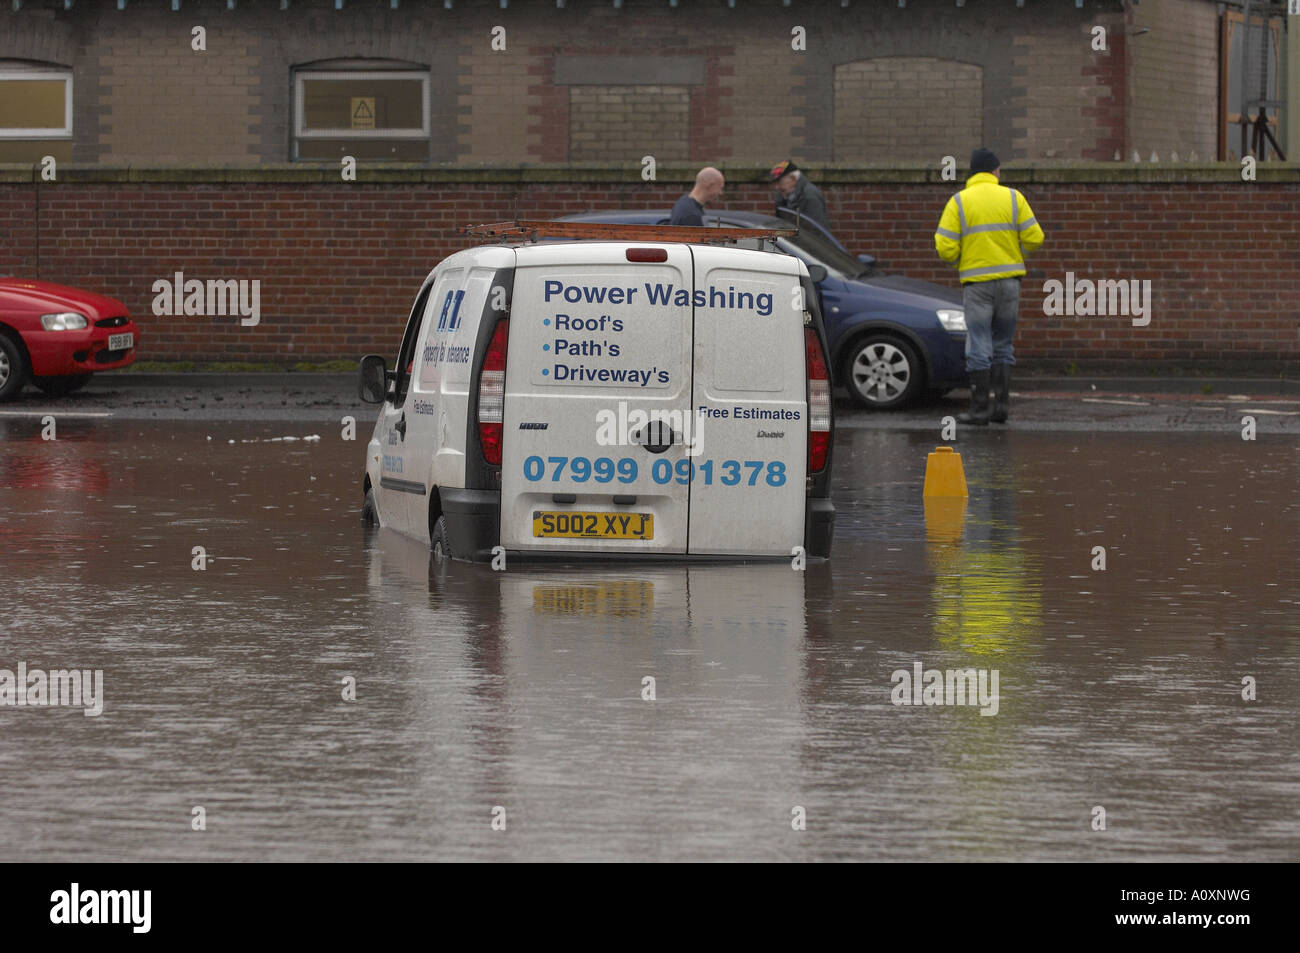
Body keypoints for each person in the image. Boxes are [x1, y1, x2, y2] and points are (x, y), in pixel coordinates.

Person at [934, 148, 1044, 425]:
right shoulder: (1013, 197)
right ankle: (1002, 407)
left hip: (977, 284)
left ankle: (980, 409)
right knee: (1004, 344)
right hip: (1009, 282)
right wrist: (1016, 253)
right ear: (995, 171)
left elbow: (945, 247)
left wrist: (963, 257)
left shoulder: (959, 201)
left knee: (979, 343)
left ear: (973, 173)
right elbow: (1035, 237)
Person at [770, 160, 829, 230]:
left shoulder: (810, 195)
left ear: (793, 178)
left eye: (779, 182)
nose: (776, 187)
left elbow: (816, 229)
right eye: (775, 183)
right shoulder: (781, 195)